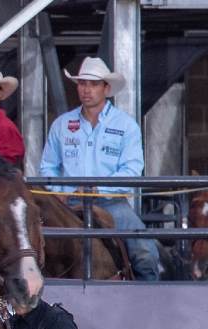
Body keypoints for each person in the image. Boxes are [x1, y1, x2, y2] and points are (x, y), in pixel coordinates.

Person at [39, 56, 160, 281]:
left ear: (106, 88)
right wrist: (58, 192)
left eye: (93, 84)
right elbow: (48, 166)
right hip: (68, 204)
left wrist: (98, 188)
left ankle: (148, 294)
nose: (87, 90)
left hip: (111, 203)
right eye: (82, 83)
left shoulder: (125, 125)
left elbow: (132, 169)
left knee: (145, 253)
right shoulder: (62, 124)